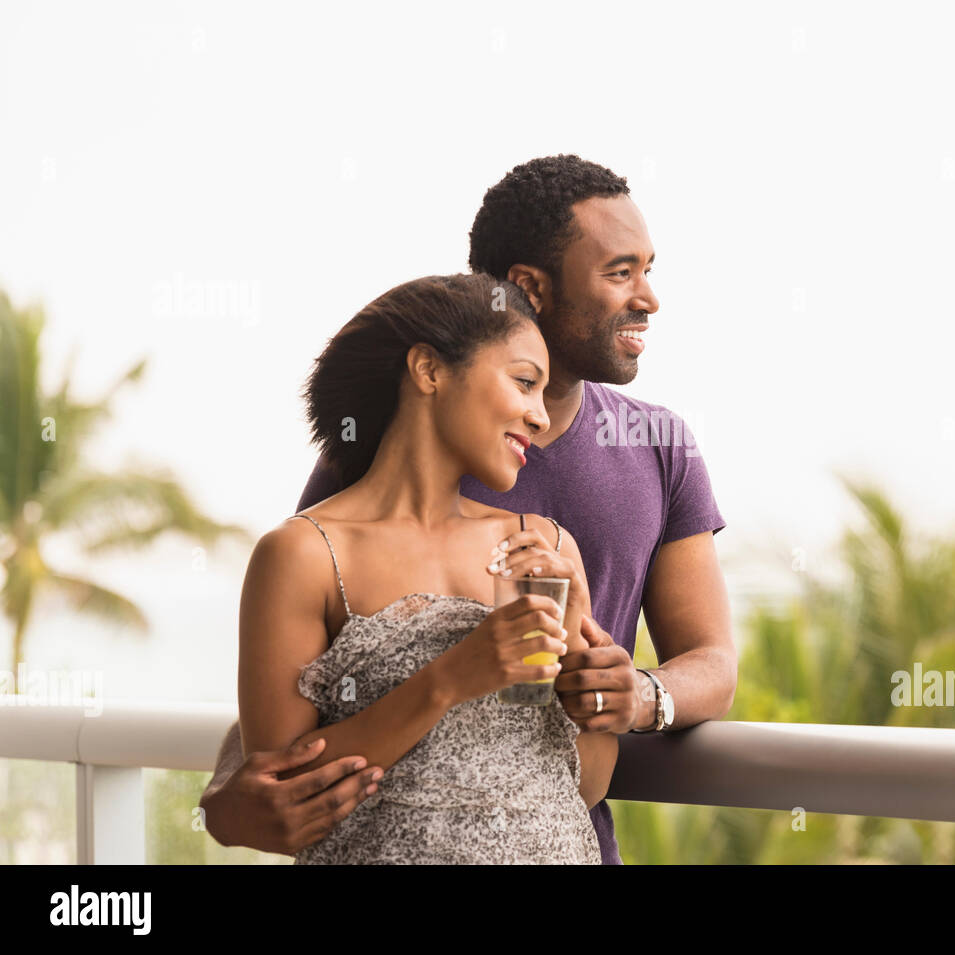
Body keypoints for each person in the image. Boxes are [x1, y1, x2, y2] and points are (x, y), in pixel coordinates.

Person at [201, 154, 736, 864]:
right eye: (619, 271)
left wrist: (627, 691)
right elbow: (296, 704)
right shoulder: (349, 478)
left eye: (648, 269)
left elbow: (705, 666)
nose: (648, 298)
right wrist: (226, 798)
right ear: (528, 287)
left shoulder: (650, 451)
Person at [240, 272, 612, 863]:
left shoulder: (546, 549)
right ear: (429, 370)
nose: (540, 418)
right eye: (523, 383)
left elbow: (585, 783)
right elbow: (284, 794)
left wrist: (587, 674)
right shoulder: (304, 554)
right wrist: (450, 679)